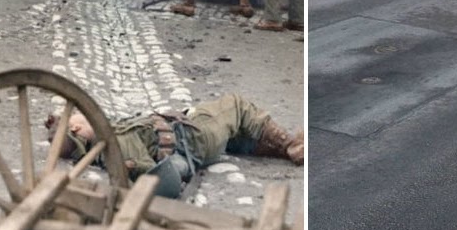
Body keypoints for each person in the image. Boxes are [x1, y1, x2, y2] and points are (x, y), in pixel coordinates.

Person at [47, 93, 303, 197]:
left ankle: (283, 152)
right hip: (193, 138)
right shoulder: (116, 143)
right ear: (76, 128)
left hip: (189, 137)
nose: (81, 113)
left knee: (236, 138)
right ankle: (290, 145)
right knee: (236, 106)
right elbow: (153, 174)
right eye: (76, 116)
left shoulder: (104, 141)